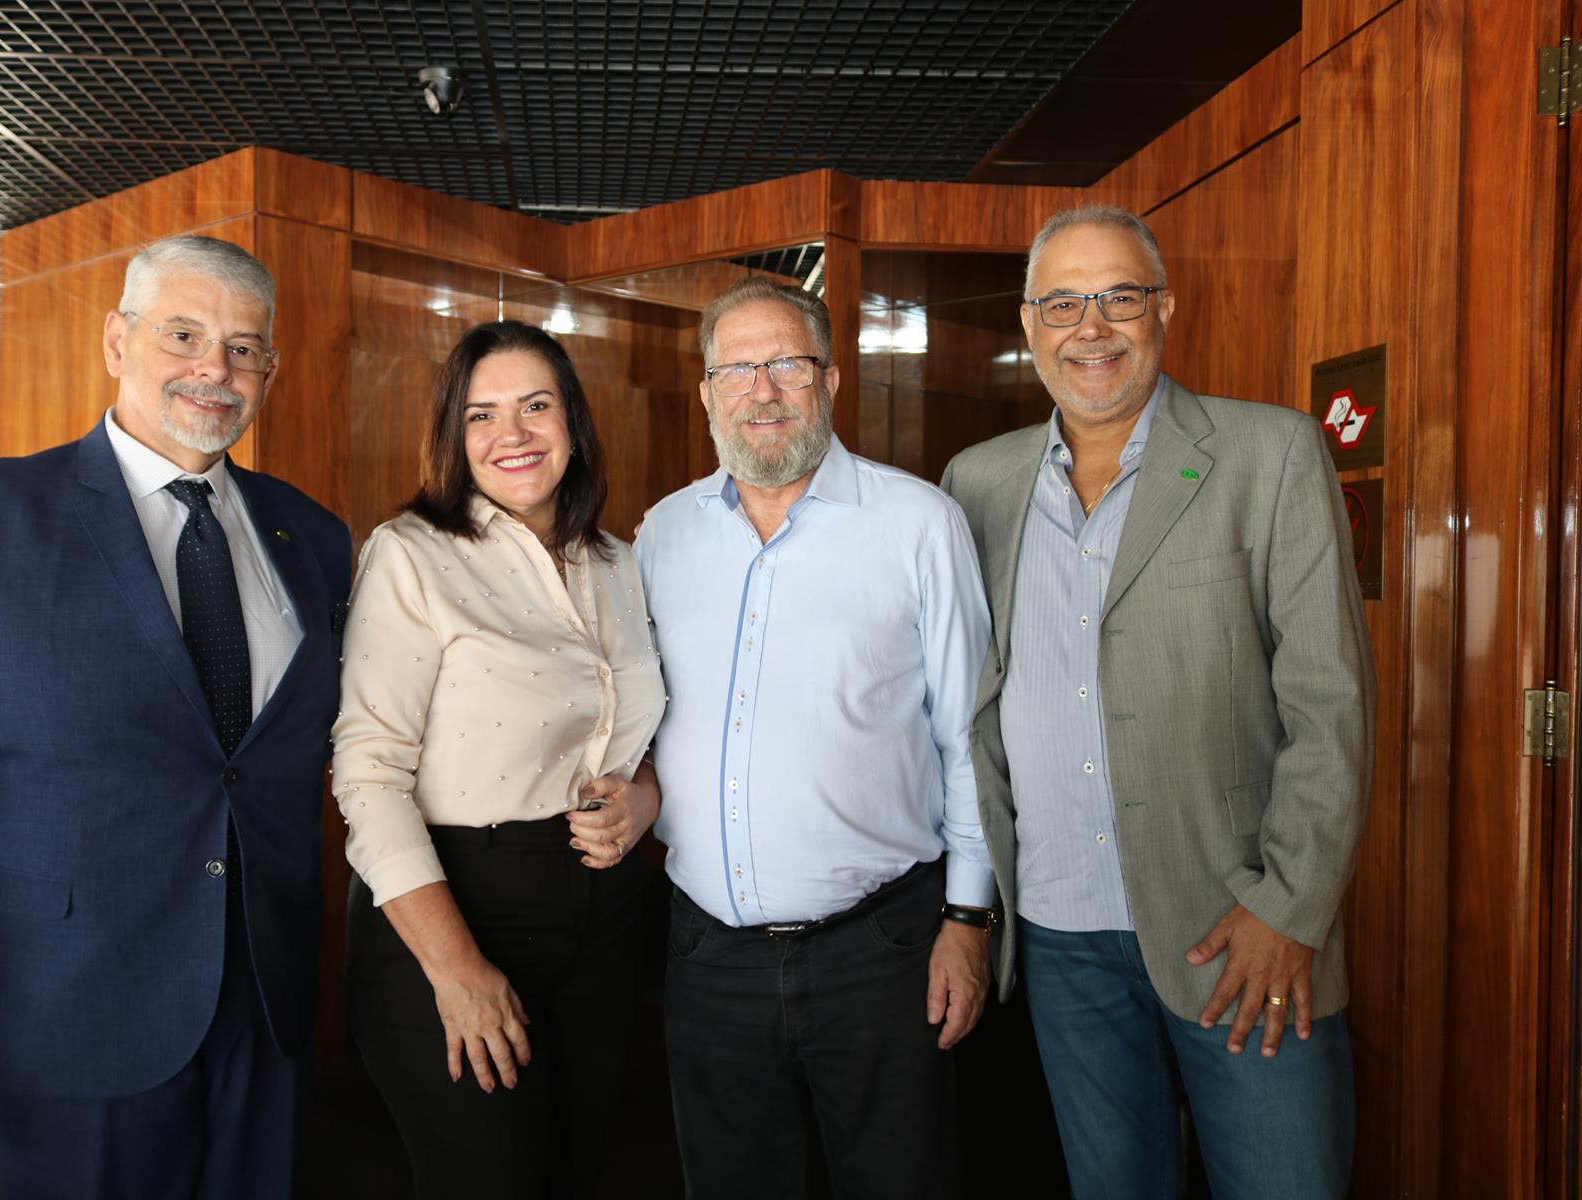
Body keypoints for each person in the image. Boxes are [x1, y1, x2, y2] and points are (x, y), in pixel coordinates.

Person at [0, 235, 352, 1196]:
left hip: (267, 1006)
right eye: (184, 334)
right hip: (70, 1014)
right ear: (118, 340)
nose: (217, 368)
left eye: (245, 347)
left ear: (272, 371)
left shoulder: (314, 537)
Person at [940, 204, 1376, 1200]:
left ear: (1163, 308)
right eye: (1063, 303)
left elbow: (1331, 703)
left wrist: (1291, 908)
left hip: (1240, 928)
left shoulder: (1269, 457)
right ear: (1027, 323)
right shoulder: (978, 485)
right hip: (1059, 939)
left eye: (1119, 296)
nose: (1090, 326)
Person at [634, 278, 994, 1200]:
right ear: (707, 391)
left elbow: (968, 738)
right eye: (737, 369)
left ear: (830, 379)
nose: (763, 390)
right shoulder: (660, 535)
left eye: (787, 364)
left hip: (881, 953)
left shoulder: (918, 525)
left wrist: (967, 920)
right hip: (705, 958)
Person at [333, 319, 665, 1199]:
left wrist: (645, 800)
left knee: (576, 1170)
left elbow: (641, 736)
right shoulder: (411, 554)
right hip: (456, 910)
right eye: (481, 415)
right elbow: (367, 774)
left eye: (535, 406)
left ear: (573, 423)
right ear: (454, 435)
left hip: (605, 917)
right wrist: (458, 970)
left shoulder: (622, 562)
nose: (511, 434)